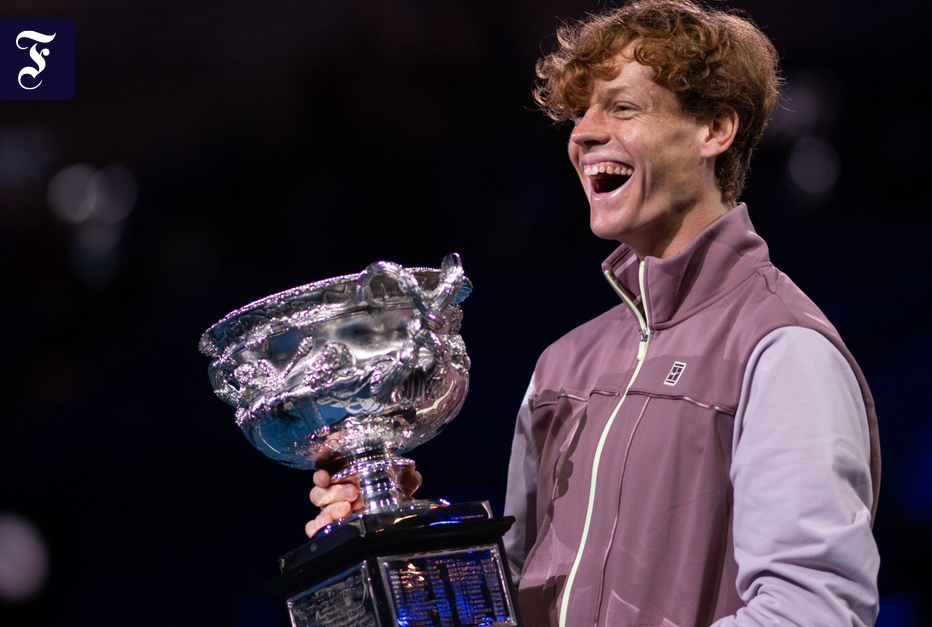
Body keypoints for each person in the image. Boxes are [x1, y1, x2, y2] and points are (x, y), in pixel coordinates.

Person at [311, 0, 881, 624]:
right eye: (579, 114)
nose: (583, 133)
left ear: (714, 129)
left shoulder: (781, 349)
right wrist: (399, 543)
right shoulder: (565, 365)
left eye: (622, 107)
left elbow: (812, 610)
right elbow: (517, 601)